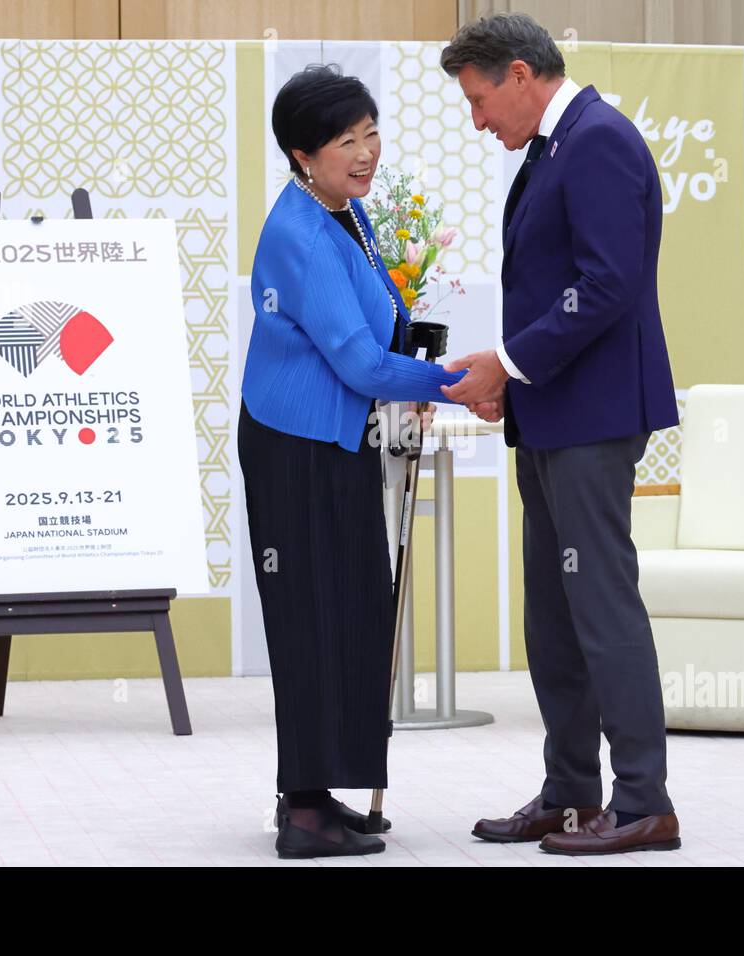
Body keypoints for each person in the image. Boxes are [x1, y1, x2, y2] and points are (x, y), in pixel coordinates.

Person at [439, 13, 683, 855]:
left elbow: (607, 284)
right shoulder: (553, 147)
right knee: (553, 613)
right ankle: (573, 792)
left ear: (518, 73)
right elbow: (557, 287)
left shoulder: (597, 140)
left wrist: (507, 362)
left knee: (600, 605)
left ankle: (645, 801)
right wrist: (512, 368)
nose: (477, 121)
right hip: (553, 413)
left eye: (478, 101)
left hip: (593, 417)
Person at [239, 64, 465, 859]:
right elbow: (358, 365)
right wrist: (453, 382)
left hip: (334, 440)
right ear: (303, 153)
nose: (366, 153)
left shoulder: (348, 214)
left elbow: (385, 321)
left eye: (371, 133)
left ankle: (323, 791)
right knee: (311, 617)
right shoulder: (300, 234)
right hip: (295, 443)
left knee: (351, 610)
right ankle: (303, 811)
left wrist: (418, 356)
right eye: (346, 141)